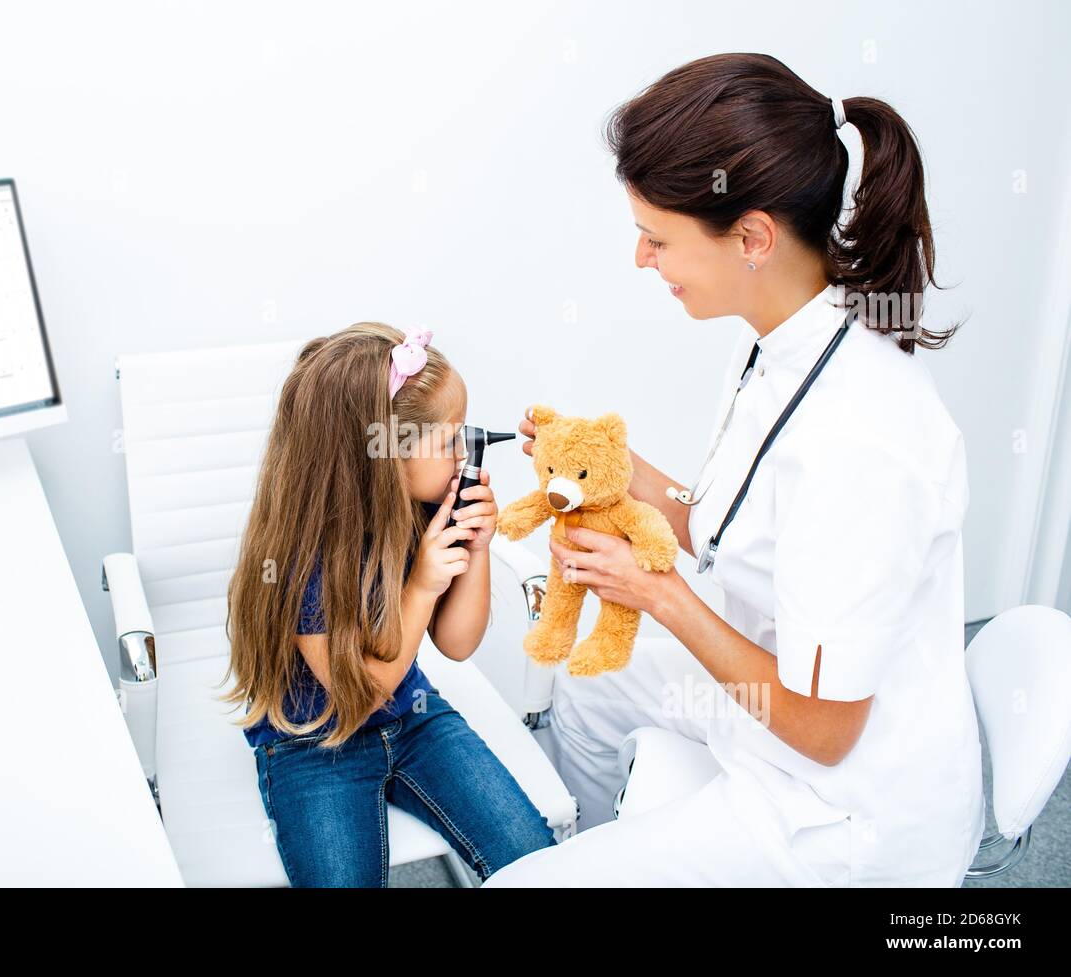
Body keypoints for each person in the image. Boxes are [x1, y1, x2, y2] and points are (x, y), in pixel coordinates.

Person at [483, 53, 982, 887]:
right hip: (771, 694)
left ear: (752, 237)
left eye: (658, 237)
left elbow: (824, 729)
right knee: (595, 685)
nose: (642, 259)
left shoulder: (859, 441)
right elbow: (738, 525)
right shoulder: (780, 343)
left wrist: (658, 593)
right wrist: (626, 473)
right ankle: (587, 851)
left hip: (837, 807)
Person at [223, 322, 556, 887]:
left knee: (539, 863)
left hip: (413, 715)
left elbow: (456, 644)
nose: (465, 449)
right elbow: (362, 690)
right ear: (382, 456)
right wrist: (423, 583)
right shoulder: (302, 559)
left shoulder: (419, 506)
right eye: (449, 439)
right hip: (314, 743)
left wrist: (474, 547)